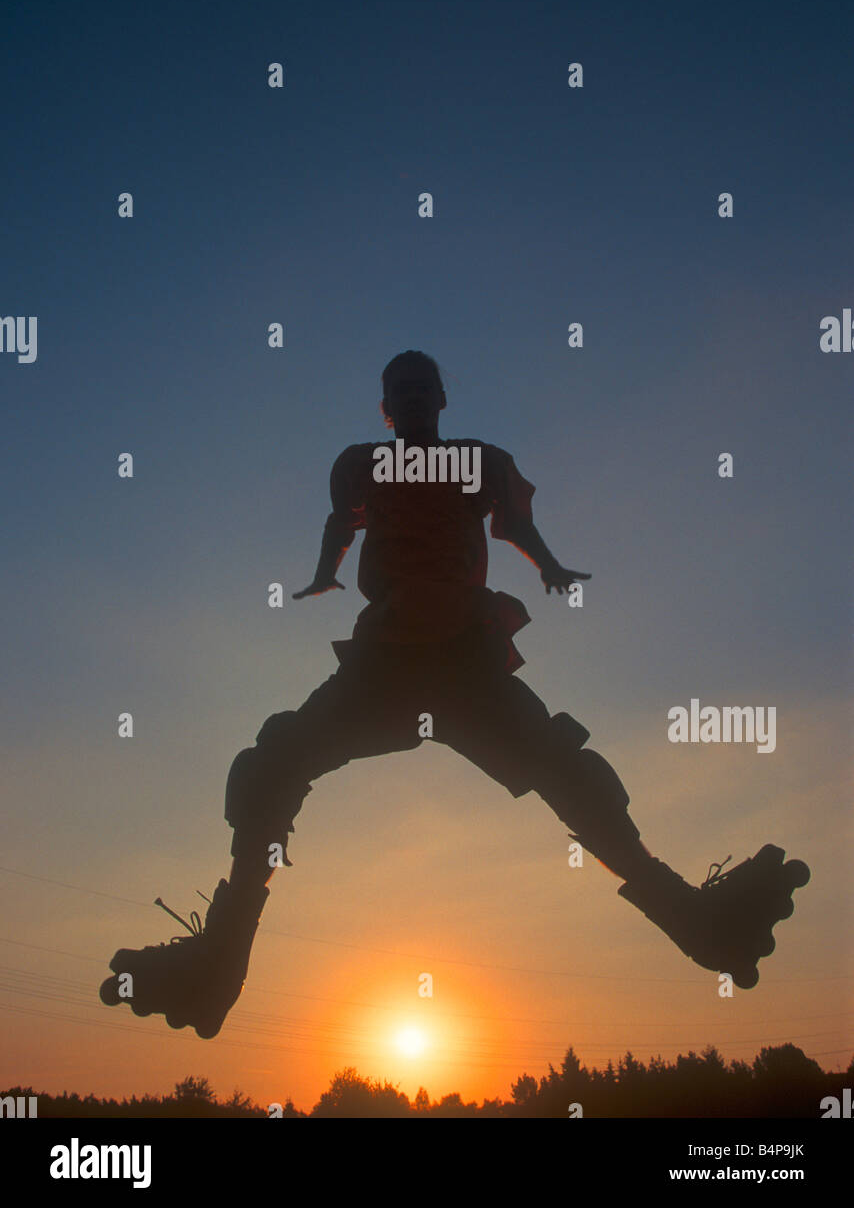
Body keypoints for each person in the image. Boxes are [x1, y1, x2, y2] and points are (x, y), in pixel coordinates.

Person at [100, 351, 809, 1038]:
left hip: (464, 661)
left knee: (567, 769)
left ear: (441, 399)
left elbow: (517, 525)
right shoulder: (361, 464)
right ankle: (220, 958)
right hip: (385, 660)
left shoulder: (479, 462)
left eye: (422, 386)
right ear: (385, 408)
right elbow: (340, 524)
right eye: (398, 389)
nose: (410, 398)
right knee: (271, 766)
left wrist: (552, 566)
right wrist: (324, 573)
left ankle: (694, 920)